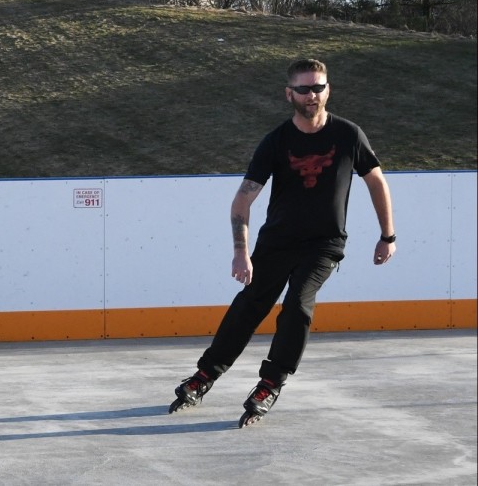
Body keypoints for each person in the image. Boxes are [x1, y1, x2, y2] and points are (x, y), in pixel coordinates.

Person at [169, 58, 397, 427]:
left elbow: (376, 181)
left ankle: (271, 382)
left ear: (328, 90)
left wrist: (388, 235)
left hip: (324, 243)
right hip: (277, 241)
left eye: (318, 87)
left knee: (298, 304)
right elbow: (243, 199)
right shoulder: (276, 141)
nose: (312, 95)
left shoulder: (348, 135)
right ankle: (205, 375)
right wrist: (241, 253)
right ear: (288, 93)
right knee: (250, 305)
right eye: (304, 89)